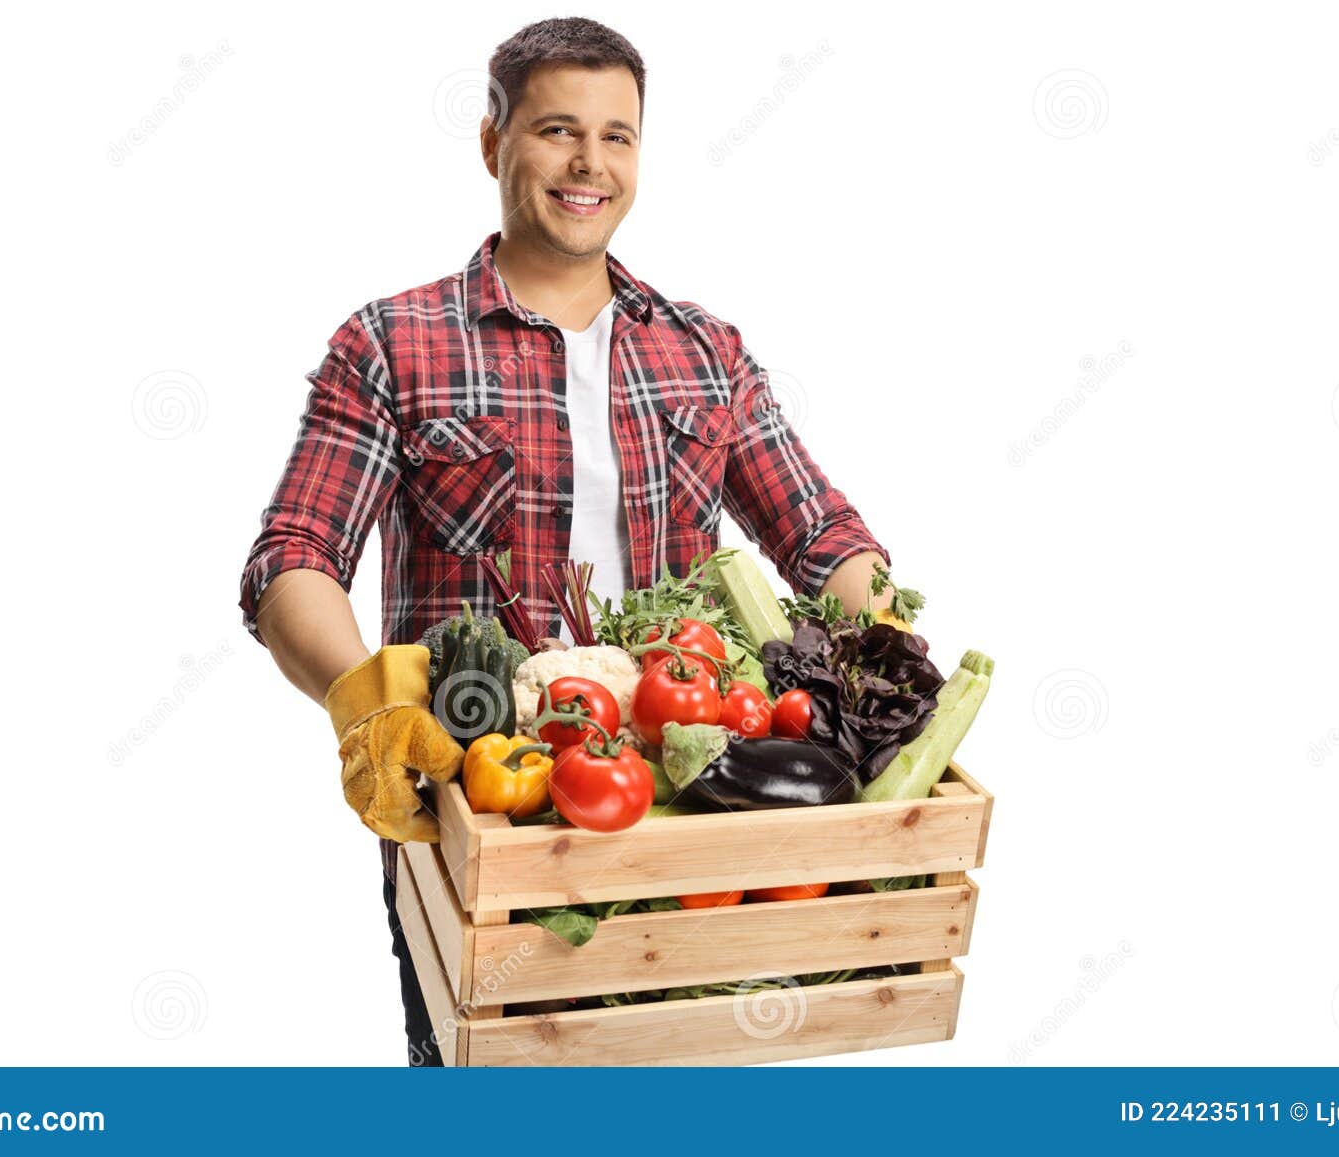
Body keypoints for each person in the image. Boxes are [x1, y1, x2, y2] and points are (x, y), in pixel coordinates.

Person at [237, 16, 902, 1066]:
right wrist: (366, 702)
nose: (590, 163)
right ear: (492, 140)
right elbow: (295, 557)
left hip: (687, 796)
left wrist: (890, 656)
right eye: (557, 129)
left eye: (618, 136)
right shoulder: (390, 343)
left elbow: (821, 533)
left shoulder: (701, 349)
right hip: (485, 801)